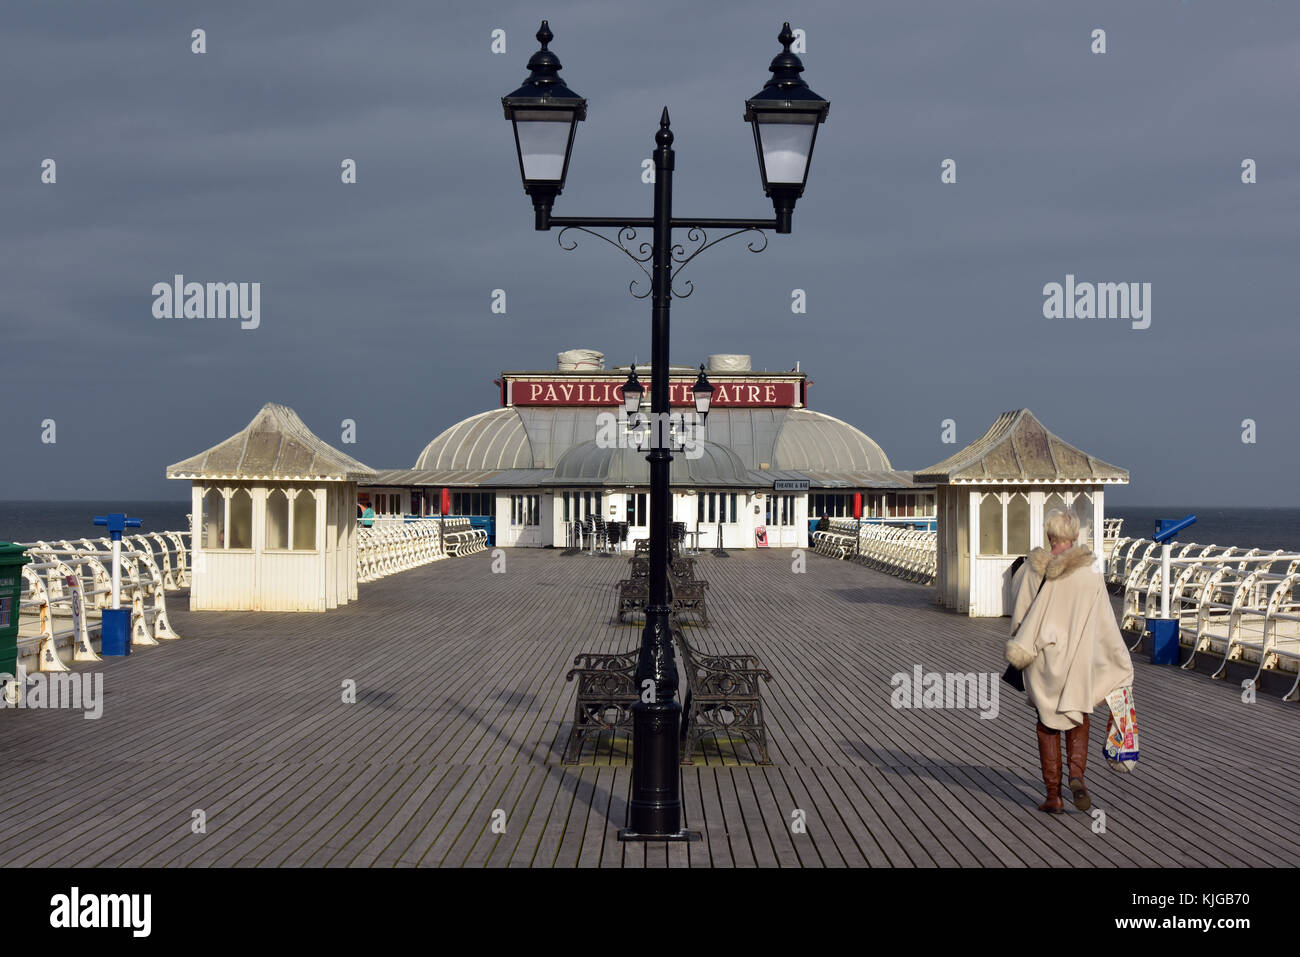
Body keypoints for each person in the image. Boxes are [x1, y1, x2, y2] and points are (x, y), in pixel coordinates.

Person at [1006, 508, 1133, 813]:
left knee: (1047, 725)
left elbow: (1021, 620)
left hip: (1044, 661)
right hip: (1077, 660)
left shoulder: (1031, 570)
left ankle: (1054, 795)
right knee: (1079, 715)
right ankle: (1077, 775)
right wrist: (1118, 663)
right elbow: (1104, 621)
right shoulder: (1090, 573)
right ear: (1075, 536)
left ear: (1049, 536)